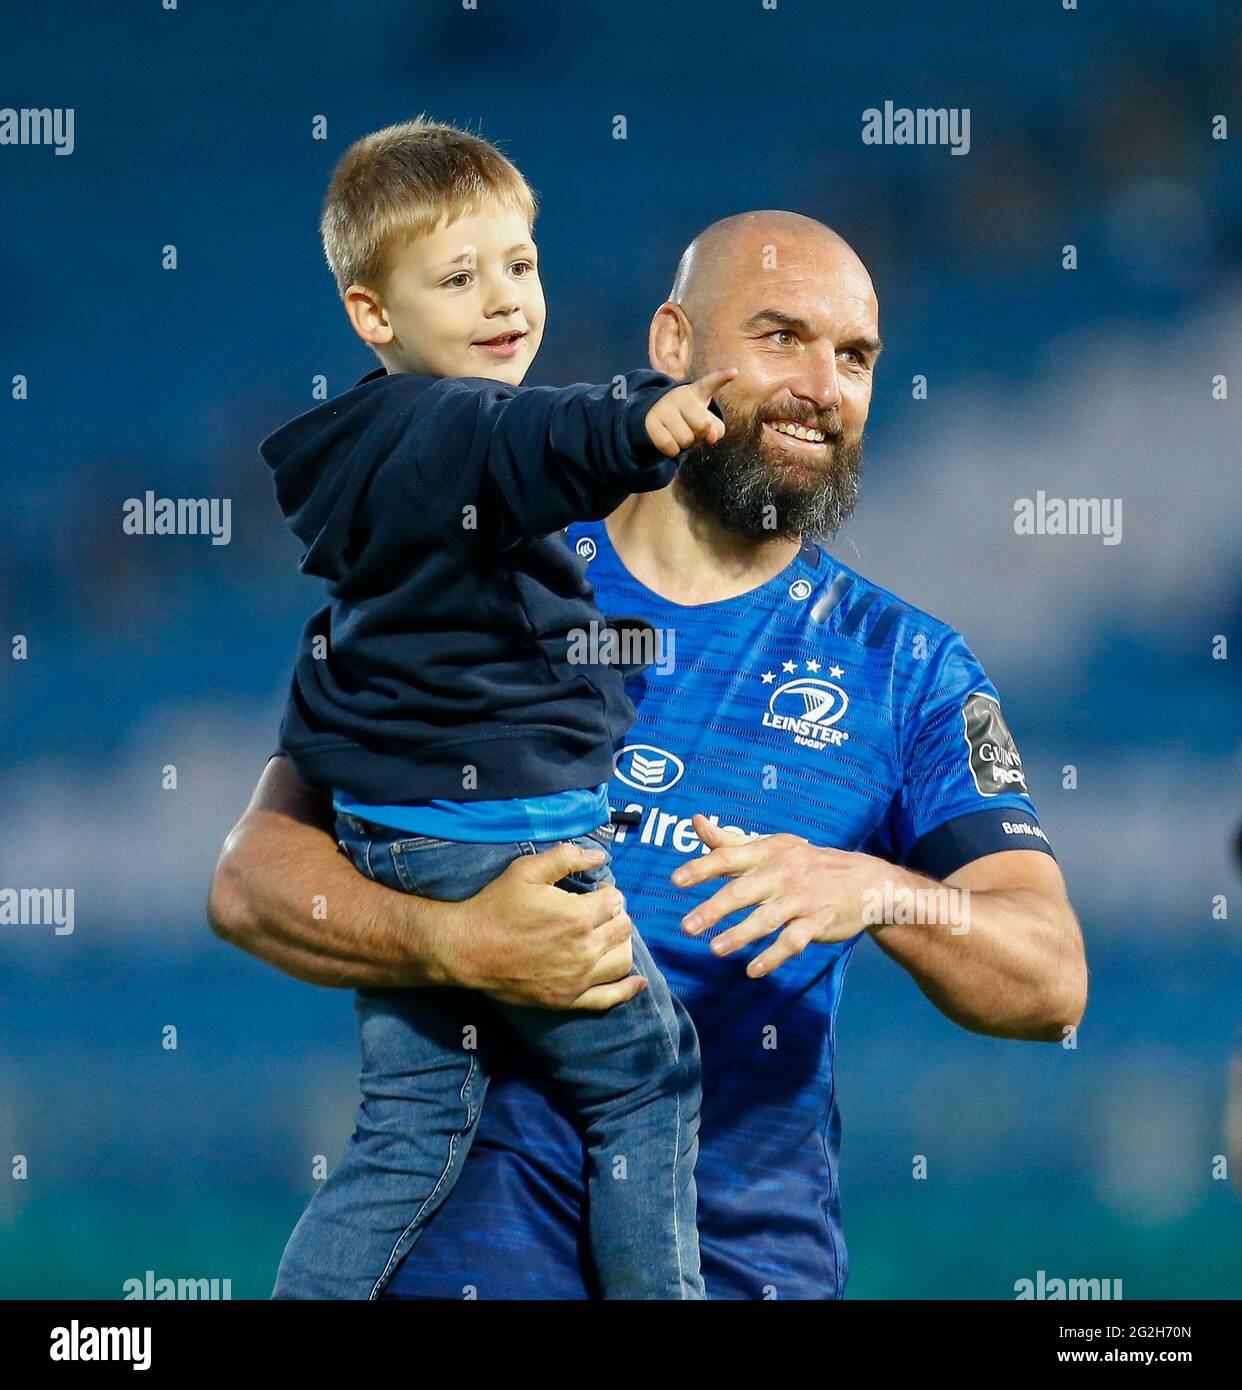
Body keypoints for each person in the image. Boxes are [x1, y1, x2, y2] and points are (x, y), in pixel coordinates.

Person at [210, 208, 1088, 1300]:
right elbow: (253, 880)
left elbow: (1050, 976)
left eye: (855, 356)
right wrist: (456, 942)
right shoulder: (476, 572)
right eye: (780, 338)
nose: (823, 384)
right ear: (673, 345)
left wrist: (879, 891)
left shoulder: (906, 667)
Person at [260, 116, 736, 1300]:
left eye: (518, 265)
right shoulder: (460, 420)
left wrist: (618, 655)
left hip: (395, 834)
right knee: (647, 1081)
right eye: (457, 277)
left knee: (409, 1129)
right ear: (374, 314)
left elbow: (497, 627)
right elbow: (545, 435)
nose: (501, 300)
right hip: (499, 837)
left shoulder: (374, 438)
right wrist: (644, 421)